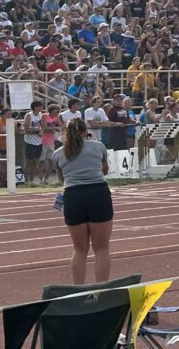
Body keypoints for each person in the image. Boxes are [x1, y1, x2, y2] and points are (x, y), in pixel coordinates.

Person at [52, 117, 113, 284]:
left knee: (79, 249)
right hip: (97, 194)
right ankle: (102, 289)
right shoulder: (98, 146)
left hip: (73, 196)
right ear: (85, 132)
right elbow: (105, 170)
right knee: (101, 248)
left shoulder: (58, 154)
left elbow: (61, 178)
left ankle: (78, 291)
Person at [22, 100, 46, 185]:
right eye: (40, 106)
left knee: (35, 162)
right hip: (30, 142)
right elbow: (26, 129)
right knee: (29, 162)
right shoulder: (29, 115)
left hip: (38, 142)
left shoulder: (41, 115)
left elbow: (43, 126)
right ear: (36, 107)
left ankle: (31, 181)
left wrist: (41, 130)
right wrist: (38, 130)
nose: (42, 108)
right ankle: (23, 180)